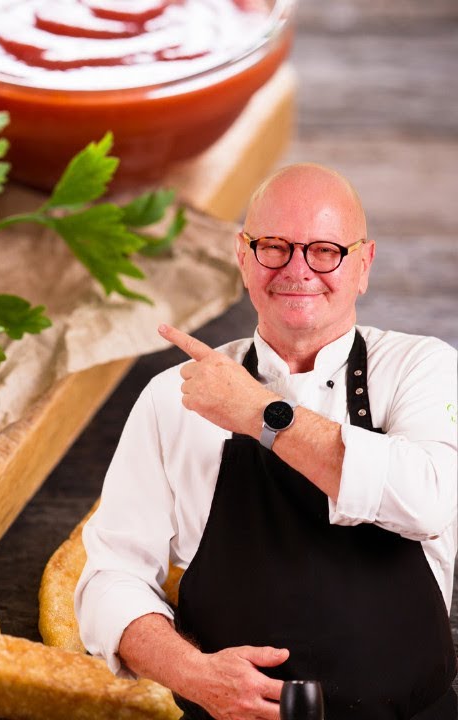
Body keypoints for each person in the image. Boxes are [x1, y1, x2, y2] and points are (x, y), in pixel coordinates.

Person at [74, 163, 458, 719]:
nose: (298, 269)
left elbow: (427, 499)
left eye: (325, 250)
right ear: (243, 257)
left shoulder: (423, 368)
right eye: (274, 246)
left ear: (364, 264)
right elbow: (109, 578)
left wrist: (260, 413)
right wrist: (191, 673)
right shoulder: (172, 397)